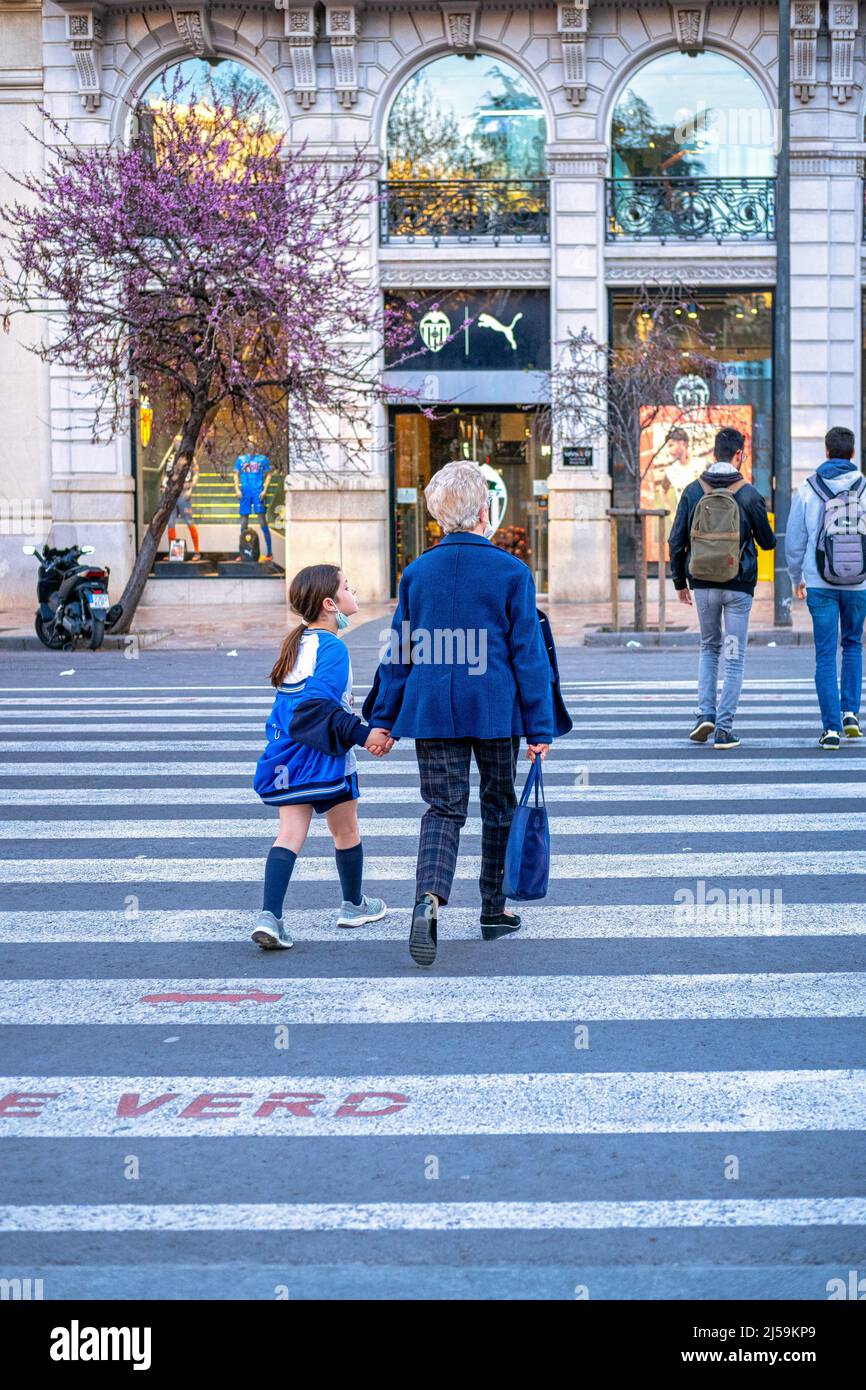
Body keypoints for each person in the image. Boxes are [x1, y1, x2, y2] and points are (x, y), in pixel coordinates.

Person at [364, 460, 568, 969]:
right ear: (483, 512)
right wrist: (540, 727)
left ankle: (428, 901)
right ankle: (493, 911)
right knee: (498, 805)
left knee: (442, 809)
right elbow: (528, 655)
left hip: (432, 710)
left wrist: (383, 719)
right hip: (497, 711)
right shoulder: (511, 572)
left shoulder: (415, 574)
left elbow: (399, 653)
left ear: (437, 518)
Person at [250, 564, 391, 949]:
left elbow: (292, 710)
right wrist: (365, 735)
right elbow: (319, 710)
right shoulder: (333, 648)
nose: (354, 589)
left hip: (288, 759)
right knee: (345, 831)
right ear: (331, 603)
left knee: (290, 834)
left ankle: (270, 916)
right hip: (326, 759)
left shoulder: (296, 643)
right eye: (347, 586)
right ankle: (352, 904)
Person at [669, 425, 775, 749]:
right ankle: (725, 729)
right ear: (739, 455)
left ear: (714, 453)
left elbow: (676, 540)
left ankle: (705, 715)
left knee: (708, 646)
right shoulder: (748, 493)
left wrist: (680, 582)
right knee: (734, 654)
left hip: (702, 585)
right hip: (738, 588)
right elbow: (768, 542)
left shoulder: (693, 490)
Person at [786, 425, 866, 749]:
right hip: (859, 583)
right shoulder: (864, 487)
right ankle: (851, 714)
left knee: (824, 656)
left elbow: (794, 541)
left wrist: (796, 578)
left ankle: (830, 729)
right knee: (853, 645)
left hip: (819, 581)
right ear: (853, 454)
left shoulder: (808, 489)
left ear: (827, 452)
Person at [234, 439, 273, 562]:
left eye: (253, 444)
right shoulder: (241, 459)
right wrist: (237, 489)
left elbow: (269, 474)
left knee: (262, 522)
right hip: (245, 492)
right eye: (249, 444)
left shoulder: (262, 459)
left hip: (258, 492)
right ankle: (243, 552)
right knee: (243, 523)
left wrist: (265, 490)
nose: (251, 446)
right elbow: (235, 474)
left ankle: (269, 552)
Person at [162, 453, 201, 560]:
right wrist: (164, 486)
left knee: (189, 522)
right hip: (172, 494)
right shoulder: (171, 457)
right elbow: (165, 474)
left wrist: (191, 487)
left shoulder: (190, 458)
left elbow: (196, 474)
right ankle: (172, 552)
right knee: (170, 523)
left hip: (184, 494)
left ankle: (197, 551)